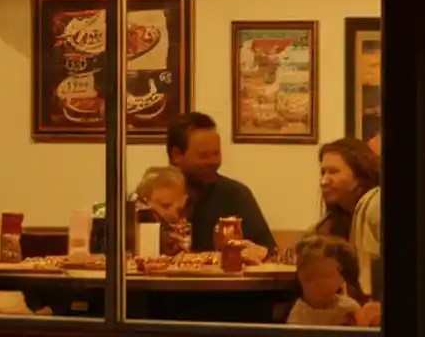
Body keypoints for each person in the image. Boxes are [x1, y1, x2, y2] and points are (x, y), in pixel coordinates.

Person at [166, 112, 276, 252]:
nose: (213, 162)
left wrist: (257, 253)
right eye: (203, 155)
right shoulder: (153, 196)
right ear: (176, 155)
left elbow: (269, 253)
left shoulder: (235, 195)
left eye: (216, 154)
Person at [313, 138, 381, 299]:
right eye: (323, 172)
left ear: (360, 174)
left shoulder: (376, 204)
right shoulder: (332, 221)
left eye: (333, 171)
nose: (324, 181)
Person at [287, 235, 364, 326]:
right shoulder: (299, 316)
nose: (316, 285)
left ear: (341, 280)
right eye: (309, 278)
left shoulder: (348, 309)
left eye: (326, 276)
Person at [132, 166, 192, 256]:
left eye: (181, 205)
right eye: (165, 205)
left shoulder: (183, 222)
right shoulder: (142, 222)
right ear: (147, 202)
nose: (173, 211)